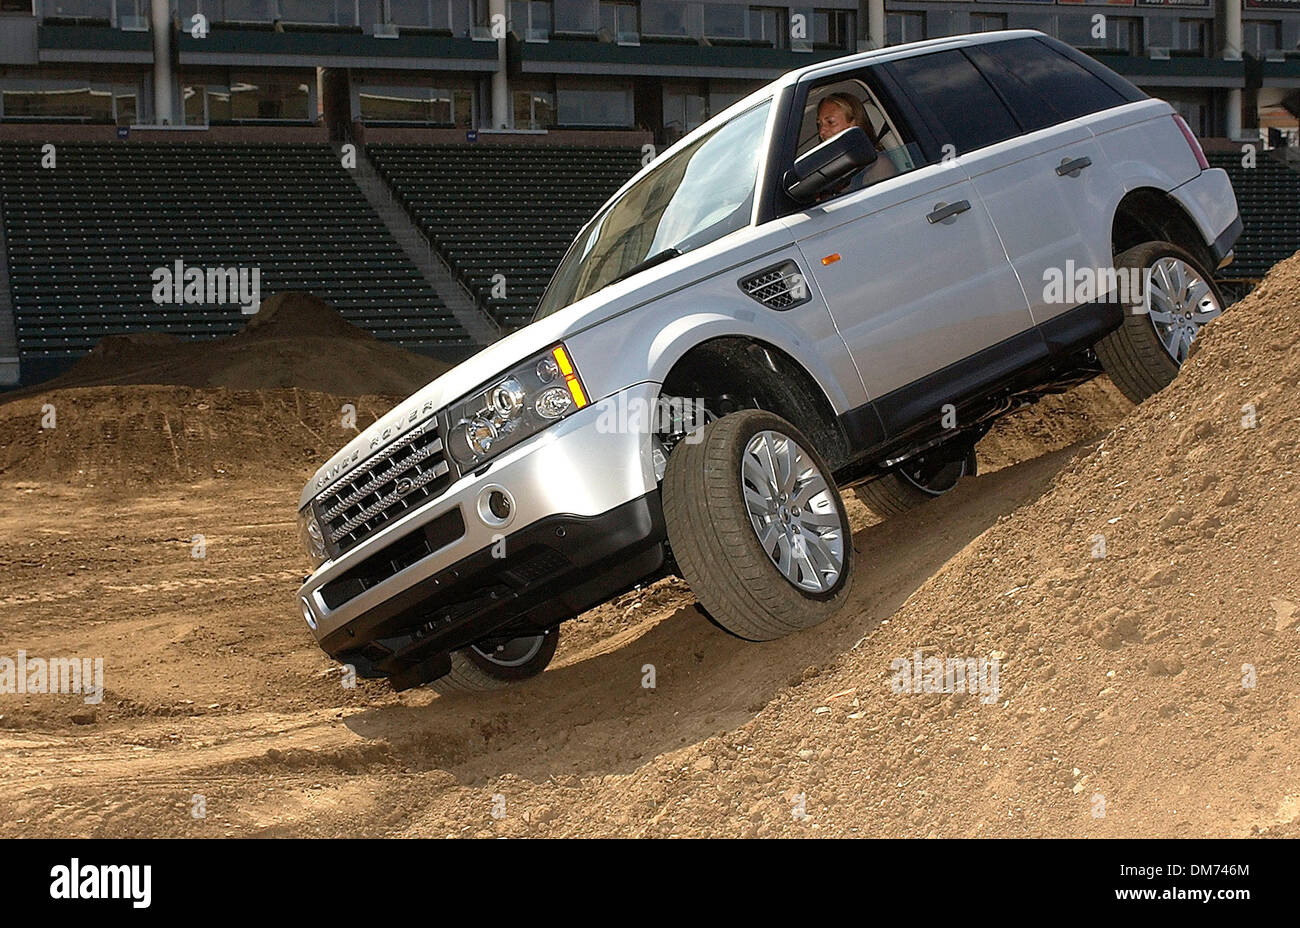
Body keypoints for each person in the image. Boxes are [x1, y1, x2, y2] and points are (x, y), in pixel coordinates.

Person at [813, 92, 898, 200]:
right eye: (819, 124)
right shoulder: (828, 168)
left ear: (854, 124)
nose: (822, 131)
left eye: (830, 122)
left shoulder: (877, 165)